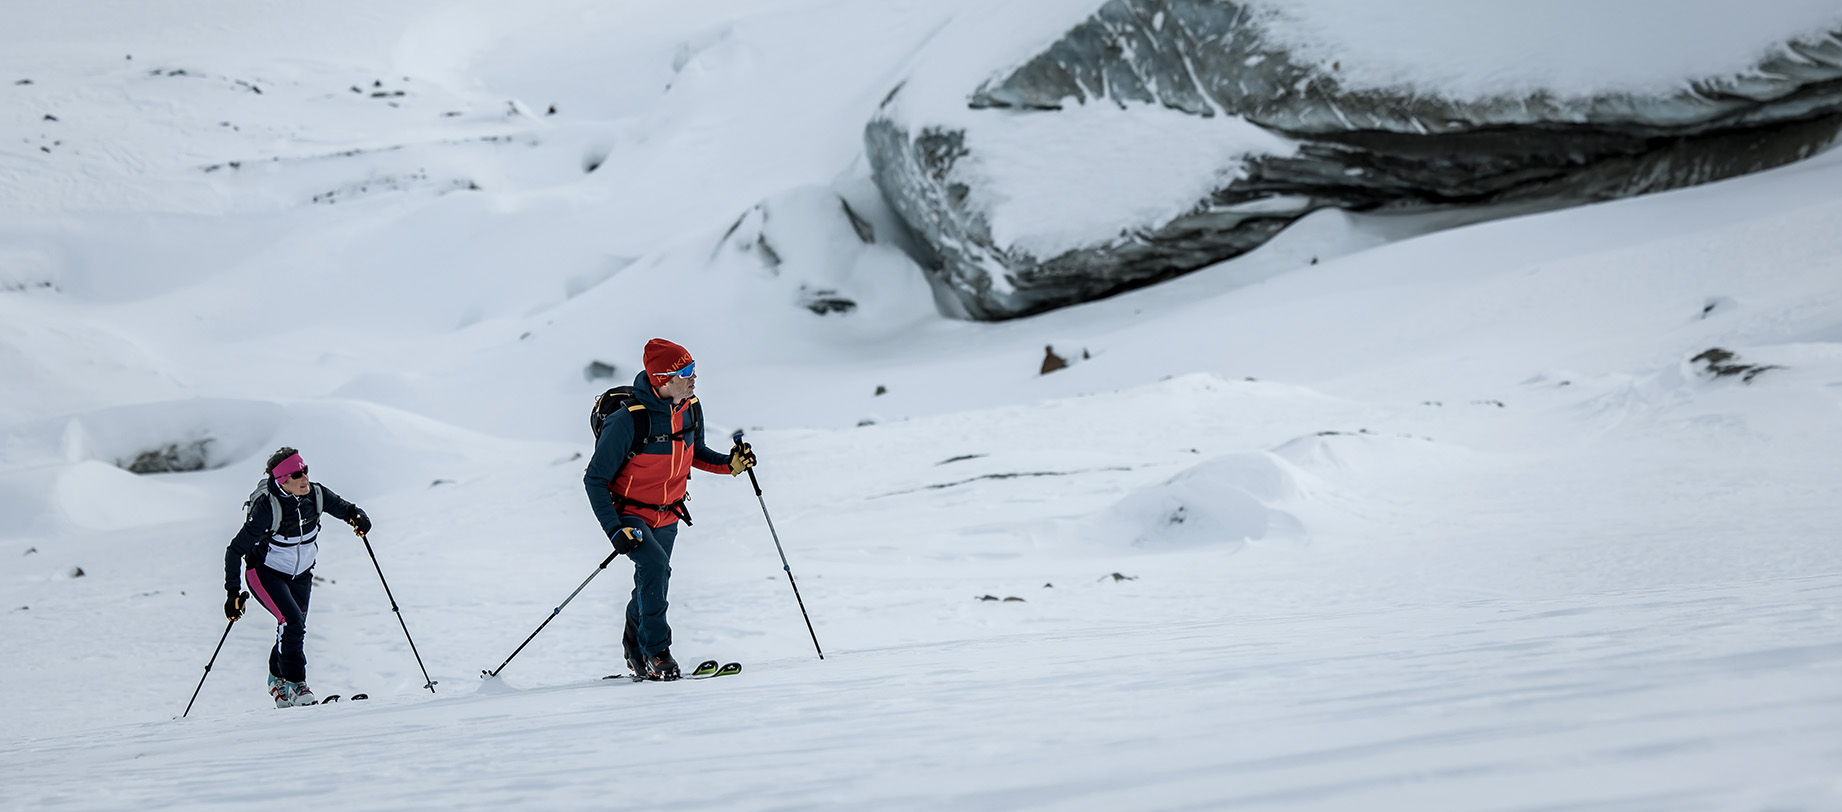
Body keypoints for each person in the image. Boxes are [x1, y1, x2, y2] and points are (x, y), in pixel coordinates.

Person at [583, 339, 756, 680]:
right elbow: (595, 479)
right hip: (630, 513)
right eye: (685, 371)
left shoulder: (690, 408)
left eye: (693, 368)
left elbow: (696, 452)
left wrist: (731, 465)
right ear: (663, 378)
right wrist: (614, 529)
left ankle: (635, 651)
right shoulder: (628, 421)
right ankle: (657, 653)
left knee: (653, 579)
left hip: (669, 512)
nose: (694, 377)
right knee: (655, 566)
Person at [223, 447, 371, 708]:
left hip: (301, 575)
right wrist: (233, 593)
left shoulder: (317, 495)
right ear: (282, 480)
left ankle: (276, 679)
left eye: (305, 470)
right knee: (291, 623)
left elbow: (347, 509)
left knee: (292, 626)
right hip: (265, 574)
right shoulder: (267, 508)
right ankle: (297, 686)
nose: (304, 478)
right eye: (296, 475)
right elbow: (235, 550)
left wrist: (359, 519)